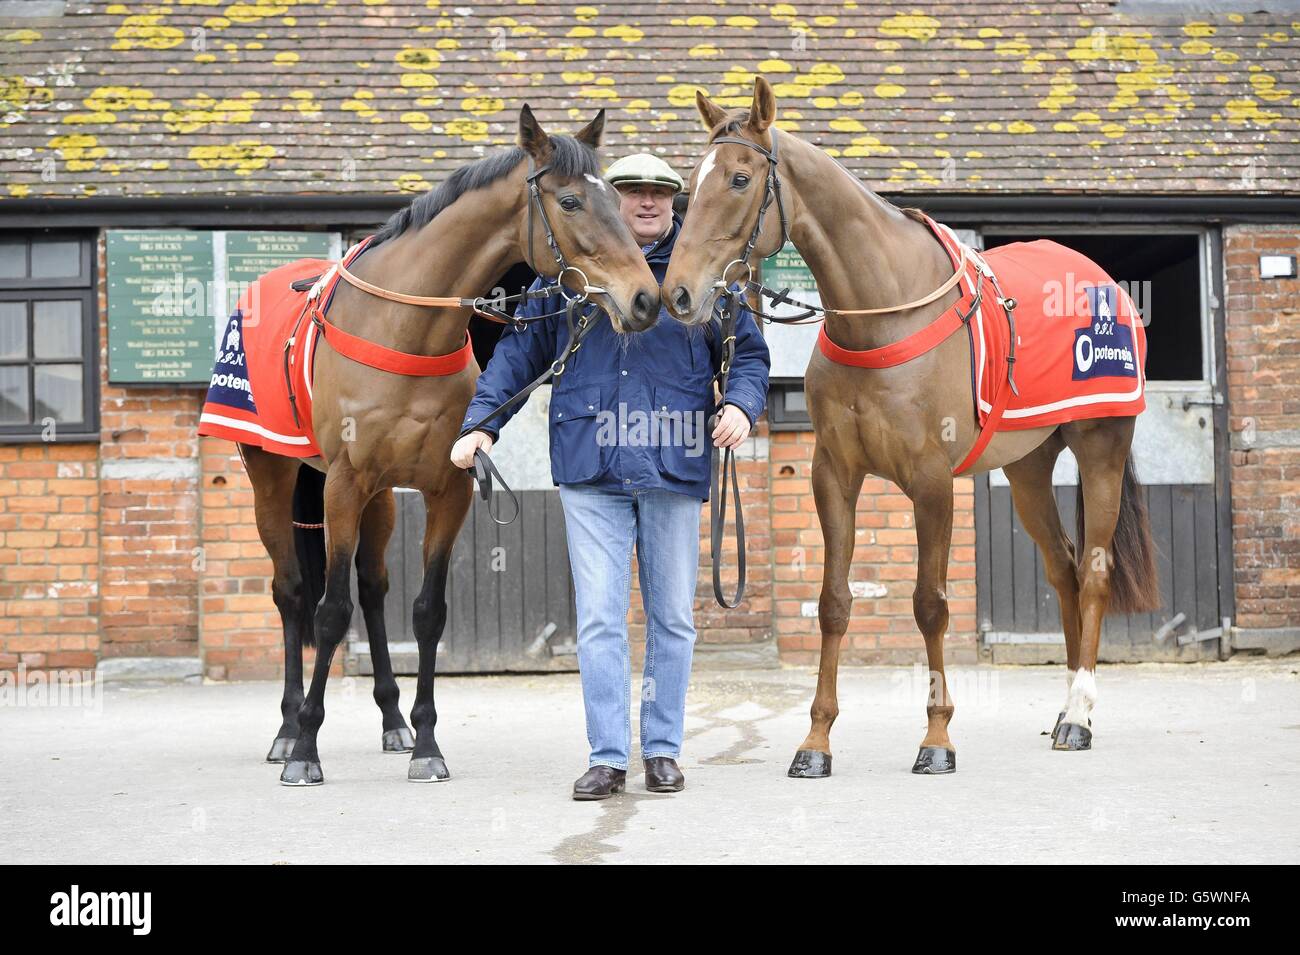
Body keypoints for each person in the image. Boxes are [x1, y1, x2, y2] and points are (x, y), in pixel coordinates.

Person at [451, 153, 770, 800]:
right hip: (589, 464)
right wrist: (481, 422)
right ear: (613, 199)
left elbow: (748, 358)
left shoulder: (706, 274)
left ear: (676, 202)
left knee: (673, 617)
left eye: (661, 193)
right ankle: (607, 755)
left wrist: (740, 404)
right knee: (599, 619)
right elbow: (519, 351)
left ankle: (662, 749)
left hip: (672, 463)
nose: (648, 202)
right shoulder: (568, 274)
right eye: (634, 192)